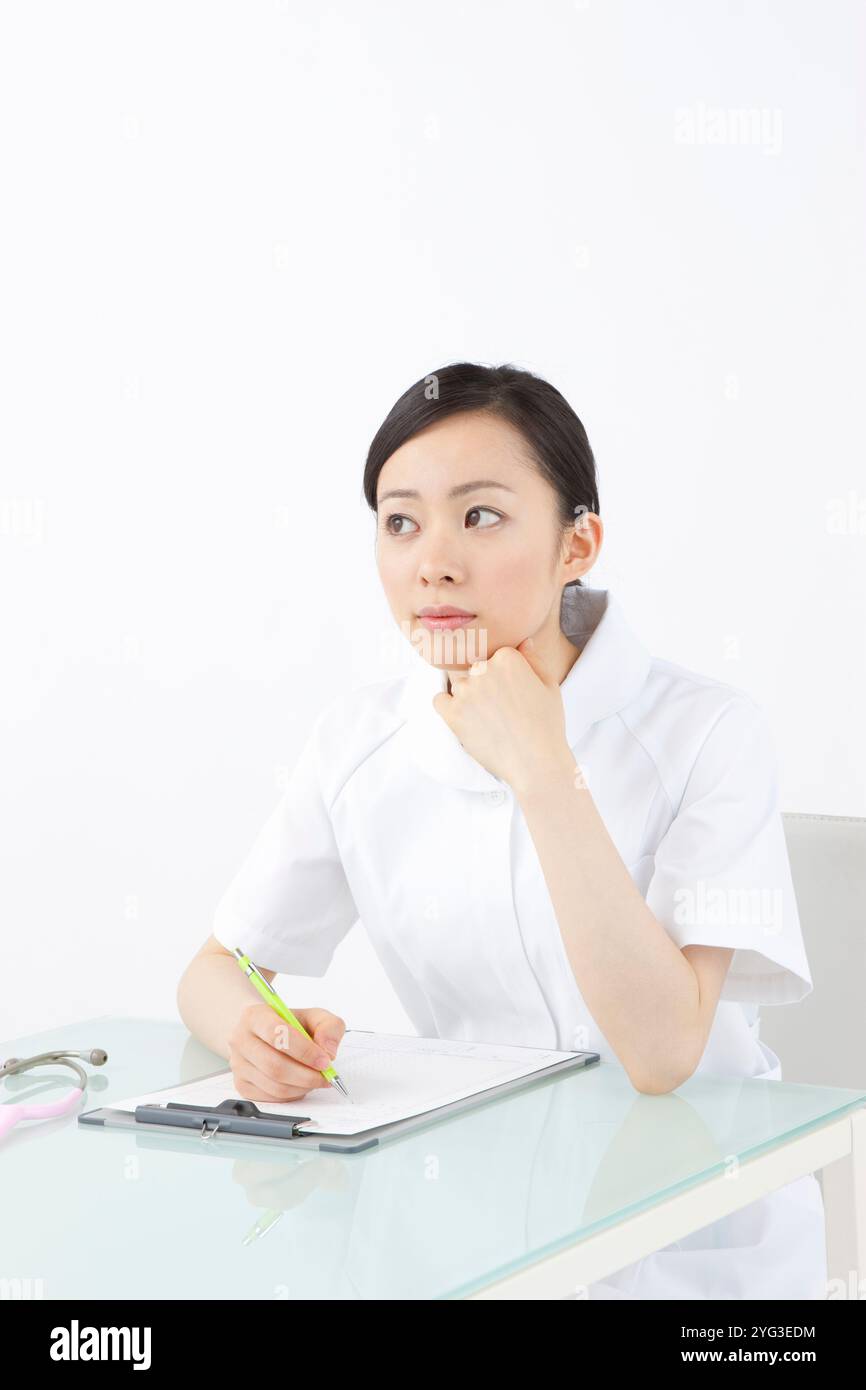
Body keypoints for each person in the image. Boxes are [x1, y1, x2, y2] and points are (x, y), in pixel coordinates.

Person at [177, 361, 826, 1300]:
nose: (433, 561)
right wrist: (255, 1034)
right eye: (400, 522)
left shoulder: (710, 732)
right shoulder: (361, 741)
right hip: (478, 1234)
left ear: (579, 542)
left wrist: (541, 768)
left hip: (704, 1254)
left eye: (480, 515)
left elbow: (662, 1054)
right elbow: (213, 968)